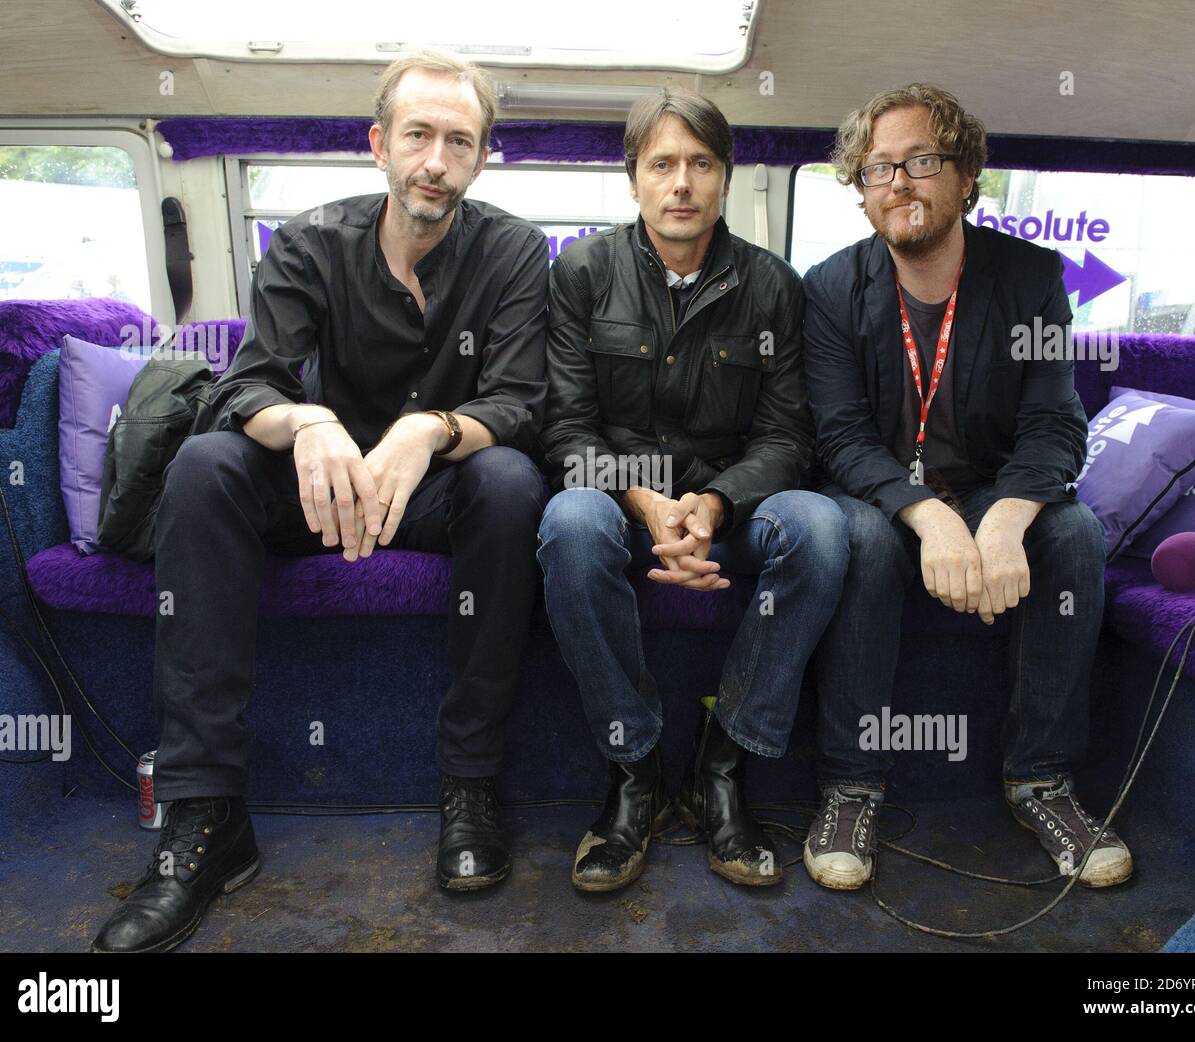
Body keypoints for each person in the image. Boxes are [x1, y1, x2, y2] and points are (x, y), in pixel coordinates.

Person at [93, 49, 549, 953]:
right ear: (378, 145)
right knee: (206, 466)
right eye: (417, 135)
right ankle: (207, 814)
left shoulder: (515, 251)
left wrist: (426, 433)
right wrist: (307, 423)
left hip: (436, 492)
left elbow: (522, 402)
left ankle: (469, 787)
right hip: (323, 491)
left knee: (509, 481)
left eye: (459, 142)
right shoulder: (309, 242)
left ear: (482, 158)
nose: (435, 160)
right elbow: (246, 383)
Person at [802, 83, 1130, 892]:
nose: (899, 185)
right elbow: (839, 434)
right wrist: (929, 520)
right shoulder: (831, 288)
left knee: (1075, 533)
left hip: (990, 486)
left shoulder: (1031, 277)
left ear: (965, 174)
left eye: (920, 161)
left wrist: (1006, 519)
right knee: (869, 538)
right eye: (878, 170)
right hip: (880, 492)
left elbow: (1057, 420)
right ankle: (852, 784)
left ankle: (1043, 782)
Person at [536, 88, 849, 893]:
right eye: (662, 164)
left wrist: (713, 506)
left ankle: (723, 764)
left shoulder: (775, 286)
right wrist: (645, 501)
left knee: (819, 527)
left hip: (728, 507)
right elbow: (565, 431)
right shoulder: (580, 273)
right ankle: (635, 768)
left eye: (701, 164)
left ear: (726, 177)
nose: (682, 183)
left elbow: (788, 439)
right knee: (569, 522)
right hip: (617, 506)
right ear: (633, 179)